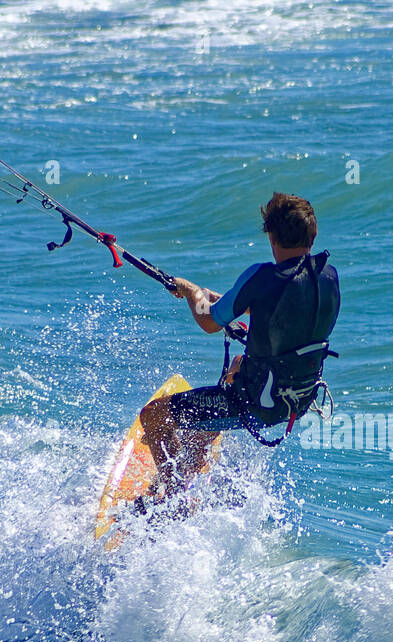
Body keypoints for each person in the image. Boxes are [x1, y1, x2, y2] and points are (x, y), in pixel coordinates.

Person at [138, 192, 340, 501]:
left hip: (257, 404)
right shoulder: (327, 277)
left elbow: (209, 322)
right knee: (236, 370)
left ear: (271, 237)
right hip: (297, 401)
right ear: (312, 236)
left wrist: (191, 291)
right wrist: (240, 302)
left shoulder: (260, 277)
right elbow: (288, 309)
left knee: (154, 415)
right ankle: (194, 455)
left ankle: (172, 498)